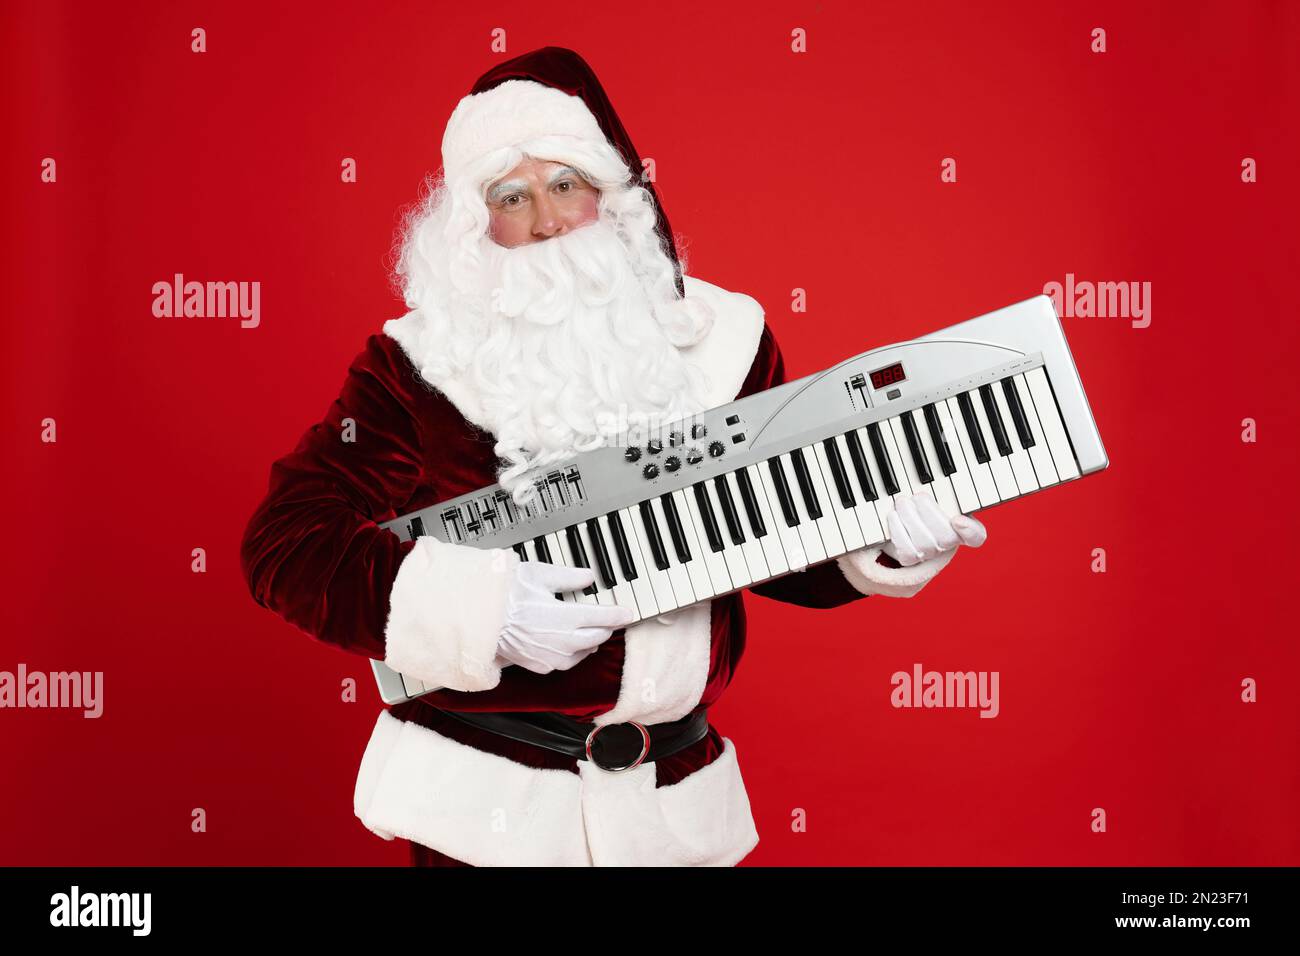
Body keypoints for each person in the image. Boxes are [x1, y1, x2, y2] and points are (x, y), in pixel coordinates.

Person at [239, 47, 987, 867]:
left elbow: (768, 542)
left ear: (612, 194)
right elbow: (287, 543)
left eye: (566, 185)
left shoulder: (724, 342)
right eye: (512, 197)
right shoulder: (418, 367)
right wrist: (479, 611)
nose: (549, 221)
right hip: (487, 822)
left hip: (674, 815)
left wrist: (869, 541)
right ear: (472, 223)